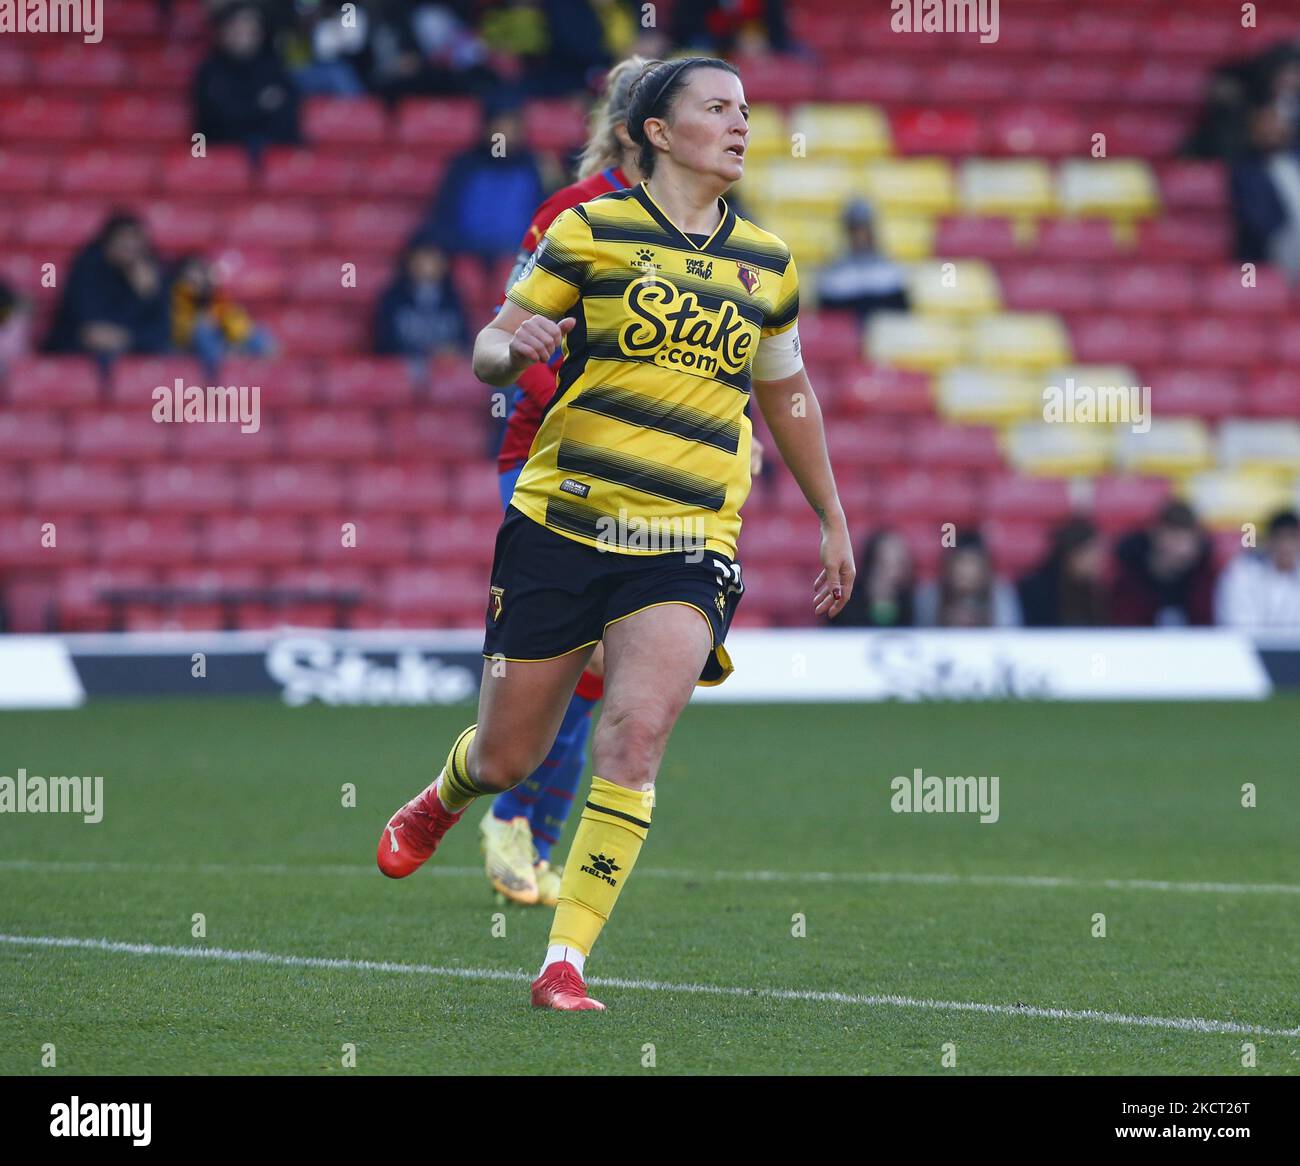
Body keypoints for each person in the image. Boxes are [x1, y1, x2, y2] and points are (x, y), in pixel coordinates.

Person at [375, 56, 855, 1011]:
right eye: (716, 107)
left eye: (746, 109)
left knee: (634, 740)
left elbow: (787, 392)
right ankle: (447, 794)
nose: (740, 122)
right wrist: (508, 349)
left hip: (689, 534)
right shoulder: (585, 229)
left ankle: (565, 963)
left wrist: (831, 518)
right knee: (510, 754)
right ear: (659, 132)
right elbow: (488, 345)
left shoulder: (767, 260)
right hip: (563, 521)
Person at [474, 55, 648, 910]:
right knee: (580, 656)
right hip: (547, 461)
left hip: (646, 482)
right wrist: (596, 420)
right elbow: (517, 347)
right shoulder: (571, 215)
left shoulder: (710, 230)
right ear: (638, 130)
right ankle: (510, 811)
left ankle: (528, 835)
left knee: (609, 670)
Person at [416, 89, 546, 263]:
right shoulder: (464, 165)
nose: (504, 134)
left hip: (519, 260)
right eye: (499, 127)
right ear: (487, 127)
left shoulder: (535, 167)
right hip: (465, 257)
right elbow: (444, 217)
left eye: (511, 127)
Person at [46, 214, 170, 360]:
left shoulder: (152, 272)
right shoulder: (87, 267)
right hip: (79, 349)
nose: (129, 246)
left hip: (133, 347)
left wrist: (148, 296)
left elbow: (159, 329)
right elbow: (87, 325)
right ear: (108, 242)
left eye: (135, 240)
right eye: (123, 239)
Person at [194, 2, 301, 153]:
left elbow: (288, 113)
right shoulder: (209, 72)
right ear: (223, 32)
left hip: (272, 152)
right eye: (237, 29)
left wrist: (246, 108)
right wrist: (260, 106)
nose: (243, 35)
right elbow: (217, 120)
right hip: (224, 156)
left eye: (250, 29)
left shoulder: (274, 66)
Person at [1110, 501, 1216, 627]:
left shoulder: (1204, 577)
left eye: (1190, 540)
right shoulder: (1129, 575)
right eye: (1177, 538)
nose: (1183, 548)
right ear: (1157, 535)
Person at [171, 255, 275, 369]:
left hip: (222, 338)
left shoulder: (215, 294)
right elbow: (180, 329)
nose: (196, 278)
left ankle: (270, 366)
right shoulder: (178, 296)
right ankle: (223, 370)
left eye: (199, 273)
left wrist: (218, 320)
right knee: (202, 331)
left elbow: (234, 321)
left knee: (258, 330)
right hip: (189, 345)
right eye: (191, 274)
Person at [815, 199, 909, 323]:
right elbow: (829, 322)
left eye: (864, 228)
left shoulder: (891, 271)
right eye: (855, 229)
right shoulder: (833, 276)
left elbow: (900, 318)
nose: (860, 235)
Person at [373, 240, 470, 360]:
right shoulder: (392, 300)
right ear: (409, 263)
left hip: (446, 372)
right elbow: (383, 345)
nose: (426, 266)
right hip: (404, 371)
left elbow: (465, 341)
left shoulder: (454, 299)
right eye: (421, 260)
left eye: (432, 260)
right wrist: (426, 354)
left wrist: (452, 352)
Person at [1215, 509, 1300, 627]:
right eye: (1280, 538)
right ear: (1269, 540)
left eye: (1292, 538)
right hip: (1247, 644)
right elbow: (1237, 624)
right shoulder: (1241, 573)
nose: (1285, 546)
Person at [916, 531, 1021, 627]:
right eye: (961, 563)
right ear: (949, 566)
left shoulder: (999, 593)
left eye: (972, 563)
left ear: (985, 567)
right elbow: (922, 633)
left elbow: (1009, 634)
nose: (966, 571)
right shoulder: (931, 595)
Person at [1017, 518, 1108, 627]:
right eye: (1091, 552)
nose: (1097, 559)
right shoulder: (1035, 591)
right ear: (1072, 553)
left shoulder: (1094, 592)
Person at [828, 529, 914, 627]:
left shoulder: (912, 602)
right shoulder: (844, 602)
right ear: (872, 562)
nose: (893, 571)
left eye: (899, 563)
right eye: (885, 563)